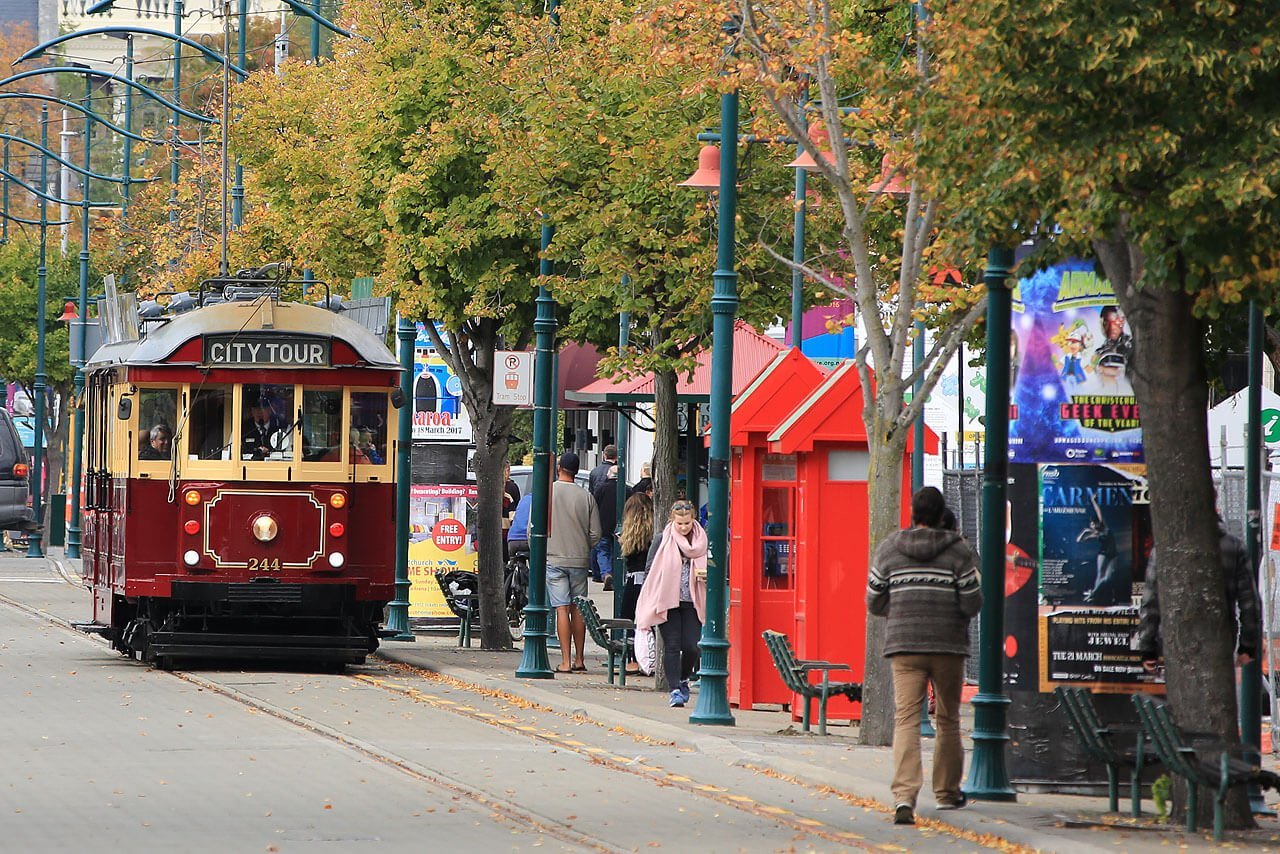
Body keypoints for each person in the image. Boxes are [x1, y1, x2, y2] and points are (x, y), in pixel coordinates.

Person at [867, 486, 982, 826]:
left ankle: (904, 796)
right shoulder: (958, 551)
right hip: (948, 646)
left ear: (913, 514)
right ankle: (946, 792)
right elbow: (972, 602)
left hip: (905, 645)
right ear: (942, 514)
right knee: (948, 718)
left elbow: (874, 598)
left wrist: (898, 611)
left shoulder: (890, 548)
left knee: (906, 718)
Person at [1135, 516, 1260, 674]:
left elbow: (1151, 601)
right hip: (1220, 639)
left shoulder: (1164, 549)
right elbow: (1249, 602)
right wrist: (1248, 645)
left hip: (1175, 639)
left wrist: (1147, 646)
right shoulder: (1234, 547)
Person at [635, 499, 707, 708]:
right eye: (680, 523)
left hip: (693, 599)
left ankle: (683, 678)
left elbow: (718, 563)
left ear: (693, 519)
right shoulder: (662, 539)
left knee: (692, 646)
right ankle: (674, 690)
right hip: (667, 600)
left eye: (687, 523)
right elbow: (650, 570)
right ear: (672, 520)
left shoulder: (702, 541)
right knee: (672, 645)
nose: (684, 527)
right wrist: (650, 596)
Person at [546, 452, 600, 674]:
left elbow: (533, 529)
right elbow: (595, 533)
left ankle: (565, 661)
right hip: (579, 559)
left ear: (559, 468)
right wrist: (583, 546)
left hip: (554, 557)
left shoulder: (548, 493)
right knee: (578, 607)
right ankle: (579, 659)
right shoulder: (586, 496)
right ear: (577, 471)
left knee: (561, 608)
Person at [618, 492, 655, 674]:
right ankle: (649, 656)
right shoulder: (654, 529)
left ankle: (633, 659)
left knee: (629, 618)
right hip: (650, 580)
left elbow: (628, 553)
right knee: (647, 619)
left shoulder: (630, 532)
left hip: (633, 580)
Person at [592, 465, 620, 590]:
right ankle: (615, 576)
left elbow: (594, 506)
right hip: (619, 527)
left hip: (603, 526)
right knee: (617, 553)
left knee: (603, 552)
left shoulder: (600, 489)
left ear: (609, 475)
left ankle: (606, 573)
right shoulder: (625, 489)